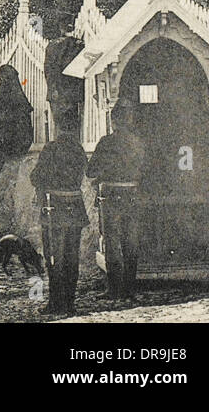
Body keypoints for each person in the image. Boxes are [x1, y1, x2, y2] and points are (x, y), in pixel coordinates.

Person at [31, 102, 88, 316]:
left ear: (59, 125)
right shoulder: (79, 150)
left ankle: (56, 302)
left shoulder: (51, 148)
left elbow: (36, 177)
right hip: (75, 207)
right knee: (72, 258)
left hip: (54, 208)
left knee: (54, 257)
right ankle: (70, 303)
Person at [86, 103, 145, 302]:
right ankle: (129, 289)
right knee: (131, 242)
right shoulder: (138, 143)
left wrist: (104, 173)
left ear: (113, 121)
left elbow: (90, 171)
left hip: (110, 195)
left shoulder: (106, 142)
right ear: (129, 120)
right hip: (133, 194)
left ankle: (114, 289)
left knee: (112, 242)